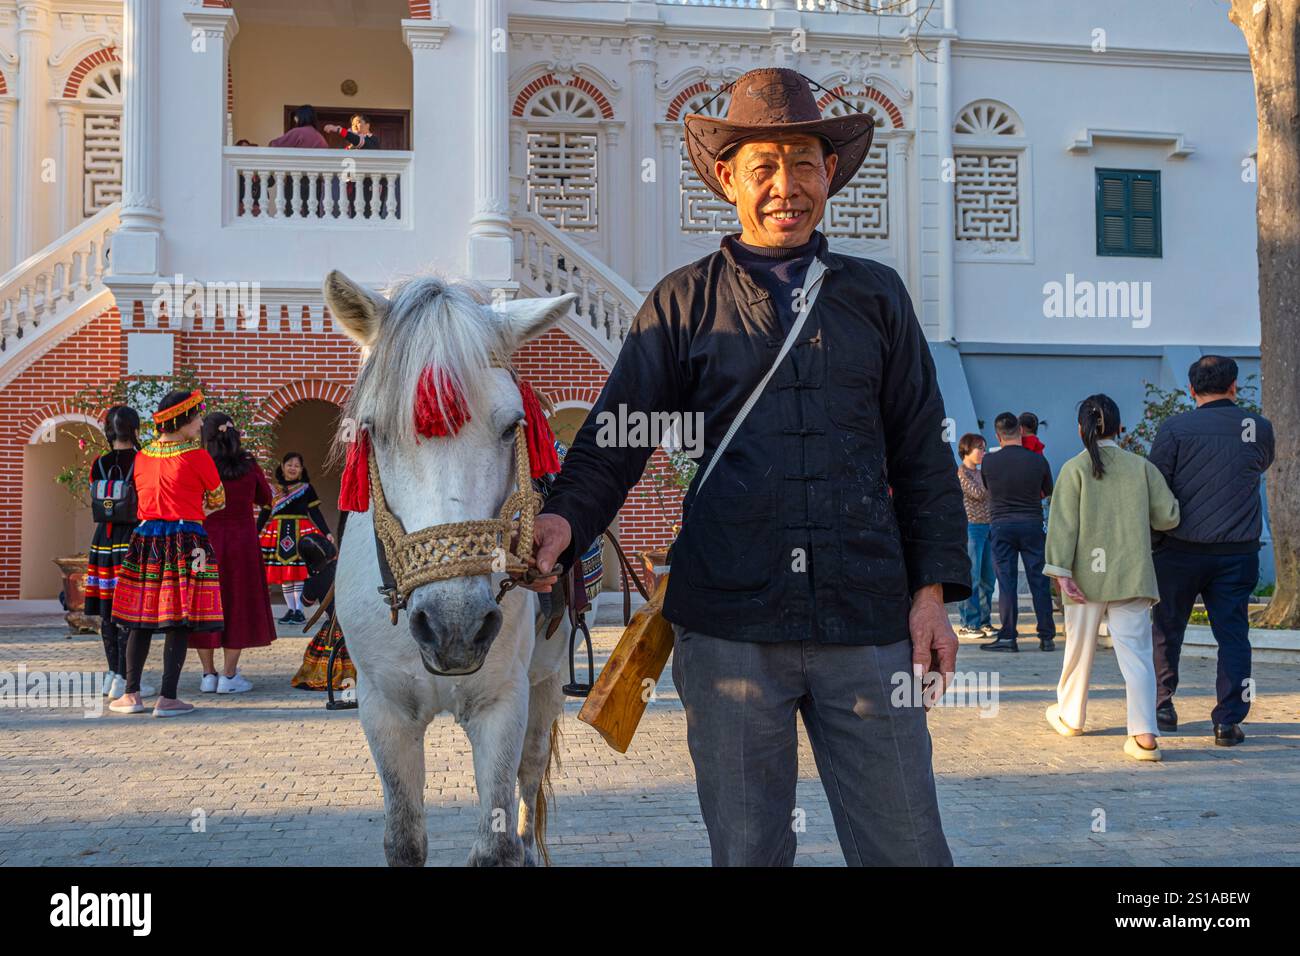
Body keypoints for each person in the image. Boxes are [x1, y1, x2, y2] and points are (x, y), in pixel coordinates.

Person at [517, 69, 969, 867]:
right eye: (763, 168)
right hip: (727, 631)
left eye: (803, 164)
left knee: (909, 848)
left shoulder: (878, 298)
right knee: (749, 852)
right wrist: (561, 518)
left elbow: (923, 455)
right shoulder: (680, 303)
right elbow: (617, 438)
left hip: (866, 622)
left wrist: (931, 595)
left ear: (830, 173)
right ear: (727, 178)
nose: (785, 188)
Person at [1042, 395, 1180, 761]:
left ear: (1080, 429)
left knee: (1078, 650)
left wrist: (1060, 572)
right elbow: (1168, 516)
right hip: (1132, 572)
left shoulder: (1073, 468)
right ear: (1120, 428)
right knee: (1137, 656)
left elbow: (1062, 527)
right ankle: (1145, 736)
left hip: (1085, 576)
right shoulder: (1141, 467)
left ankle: (1071, 716)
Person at [1148, 355, 1275, 746]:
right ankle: (1227, 721)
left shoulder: (1175, 428)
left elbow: (1155, 484)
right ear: (1234, 386)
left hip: (1179, 550)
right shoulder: (1257, 427)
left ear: (1191, 389)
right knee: (1234, 634)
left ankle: (1161, 706)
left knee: (1167, 629)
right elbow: (1260, 464)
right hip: (1237, 552)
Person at [109, 390, 225, 718]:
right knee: (178, 617)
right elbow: (218, 499)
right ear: (183, 418)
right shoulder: (198, 457)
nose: (201, 422)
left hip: (145, 539)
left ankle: (131, 694)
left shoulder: (142, 456)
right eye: (198, 416)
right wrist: (194, 511)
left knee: (140, 619)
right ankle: (168, 698)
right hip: (187, 539)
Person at [190, 413, 278, 694]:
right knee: (237, 603)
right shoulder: (248, 465)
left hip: (204, 541)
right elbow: (266, 498)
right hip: (242, 543)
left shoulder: (198, 463)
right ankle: (229, 676)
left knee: (205, 603)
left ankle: (208, 675)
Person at [84, 406, 155, 700]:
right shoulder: (144, 461)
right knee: (129, 610)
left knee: (107, 611)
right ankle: (127, 679)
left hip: (102, 540)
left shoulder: (99, 462)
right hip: (132, 539)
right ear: (135, 429)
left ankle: (113, 675)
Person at [980, 411, 1056, 652]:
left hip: (1001, 524)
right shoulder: (1037, 460)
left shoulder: (989, 462)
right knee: (1039, 581)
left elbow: (987, 488)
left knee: (1006, 581)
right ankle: (1046, 636)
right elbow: (1047, 489)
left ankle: (1008, 636)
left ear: (998, 435)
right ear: (1020, 432)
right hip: (1032, 523)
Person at [259, 452, 332, 625]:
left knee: (298, 573)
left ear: (301, 469)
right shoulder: (272, 489)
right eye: (289, 464)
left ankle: (299, 610)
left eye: (297, 465)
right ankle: (291, 610)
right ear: (282, 466)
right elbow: (265, 512)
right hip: (277, 534)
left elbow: (315, 512)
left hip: (301, 532)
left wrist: (326, 532)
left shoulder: (307, 488)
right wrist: (256, 531)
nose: (293, 468)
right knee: (285, 574)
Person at [290, 533, 356, 692]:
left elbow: (306, 602)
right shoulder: (347, 567)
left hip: (335, 628)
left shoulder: (314, 581)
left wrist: (310, 578)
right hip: (357, 623)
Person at [956, 433, 996, 638]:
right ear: (966, 450)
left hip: (988, 527)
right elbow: (979, 493)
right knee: (972, 577)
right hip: (971, 528)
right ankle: (968, 623)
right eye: (979, 448)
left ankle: (984, 621)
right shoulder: (961, 473)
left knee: (988, 578)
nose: (983, 452)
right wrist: (994, 483)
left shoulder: (983, 473)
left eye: (984, 448)